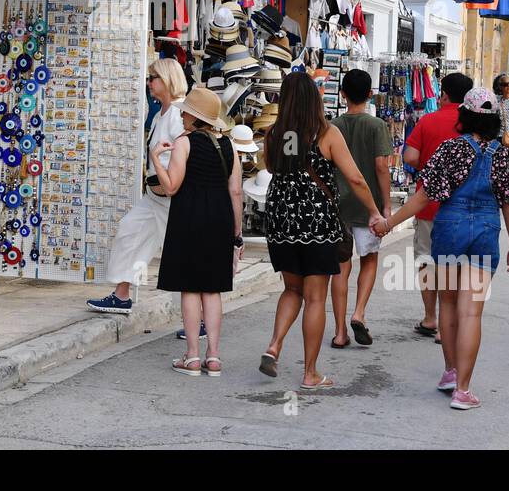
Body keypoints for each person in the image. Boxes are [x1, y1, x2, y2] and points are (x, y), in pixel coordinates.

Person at [379, 88, 509, 410]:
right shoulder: (503, 155)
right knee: (471, 311)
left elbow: (423, 197)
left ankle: (449, 372)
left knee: (447, 305)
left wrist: (389, 223)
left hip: (449, 230)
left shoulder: (450, 149)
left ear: (465, 115)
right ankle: (463, 389)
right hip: (486, 232)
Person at [259, 71, 384, 391]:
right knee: (315, 298)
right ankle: (310, 373)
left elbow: (272, 168)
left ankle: (274, 344)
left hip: (281, 222)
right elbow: (355, 178)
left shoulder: (275, 133)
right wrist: (373, 210)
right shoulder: (325, 132)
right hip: (316, 224)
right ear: (314, 99)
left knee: (291, 290)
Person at [153, 86, 241, 377]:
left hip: (189, 217)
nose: (181, 115)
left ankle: (191, 357)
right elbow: (236, 191)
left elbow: (171, 186)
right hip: (220, 219)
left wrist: (156, 159)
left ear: (193, 115)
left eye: (185, 111)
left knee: (190, 288)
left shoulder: (184, 143)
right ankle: (213, 357)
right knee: (212, 289)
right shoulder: (230, 146)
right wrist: (237, 235)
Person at [88, 59, 187, 314]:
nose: (149, 82)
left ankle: (194, 317)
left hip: (171, 196)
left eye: (153, 77)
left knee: (179, 254)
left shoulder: (178, 114)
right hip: (154, 195)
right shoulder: (160, 115)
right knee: (130, 231)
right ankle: (122, 294)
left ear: (166, 80)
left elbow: (183, 155)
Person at [403, 71, 474, 341]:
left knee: (426, 261)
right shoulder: (473, 124)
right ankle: (451, 321)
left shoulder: (428, 121)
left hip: (428, 204)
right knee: (455, 265)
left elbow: (410, 155)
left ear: (443, 94)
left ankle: (431, 317)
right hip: (462, 207)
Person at [328, 69, 393, 349]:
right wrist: (386, 205)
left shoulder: (332, 126)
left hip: (339, 204)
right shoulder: (376, 125)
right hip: (369, 207)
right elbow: (381, 166)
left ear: (342, 94)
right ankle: (359, 313)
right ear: (370, 94)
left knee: (340, 269)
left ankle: (340, 332)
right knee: (368, 260)